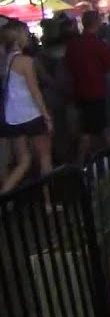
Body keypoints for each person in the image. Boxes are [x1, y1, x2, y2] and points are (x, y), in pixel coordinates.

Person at [1, 24, 53, 193]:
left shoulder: (6, 60)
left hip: (13, 117)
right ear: (18, 38)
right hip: (32, 115)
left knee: (24, 161)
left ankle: (4, 194)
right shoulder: (26, 61)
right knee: (45, 158)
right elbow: (35, 91)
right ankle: (48, 201)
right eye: (25, 34)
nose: (28, 36)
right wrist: (46, 116)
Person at [64, 10, 110, 163]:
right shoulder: (98, 44)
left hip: (79, 92)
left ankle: (85, 163)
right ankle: (81, 164)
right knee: (95, 129)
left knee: (94, 127)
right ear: (97, 23)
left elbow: (67, 67)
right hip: (95, 92)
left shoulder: (73, 45)